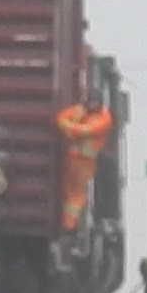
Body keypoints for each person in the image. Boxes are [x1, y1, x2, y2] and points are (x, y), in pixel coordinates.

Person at [53, 92, 113, 232]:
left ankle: (68, 225)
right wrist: (68, 126)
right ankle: (67, 224)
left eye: (95, 102)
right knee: (66, 191)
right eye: (91, 102)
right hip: (72, 158)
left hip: (85, 162)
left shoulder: (104, 119)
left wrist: (68, 128)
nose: (92, 105)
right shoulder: (80, 110)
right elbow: (60, 118)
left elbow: (85, 131)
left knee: (76, 195)